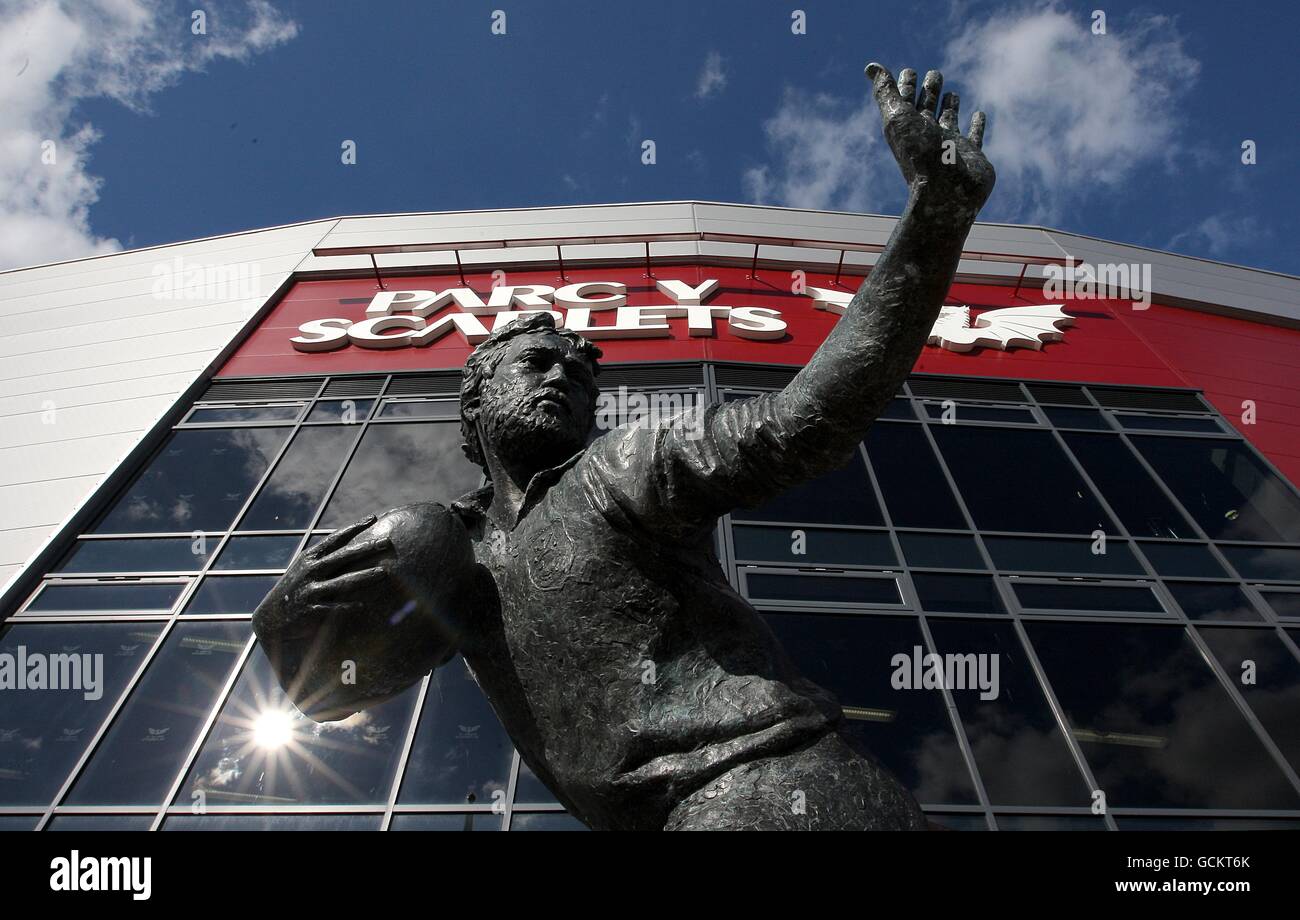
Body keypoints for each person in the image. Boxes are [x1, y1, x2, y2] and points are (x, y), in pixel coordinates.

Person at [254, 64, 995, 830]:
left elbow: (802, 422)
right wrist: (288, 618)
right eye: (538, 364)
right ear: (474, 401)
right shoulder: (453, 558)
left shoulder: (624, 465)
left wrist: (935, 216)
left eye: (580, 376)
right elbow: (326, 695)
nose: (564, 380)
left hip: (771, 792)